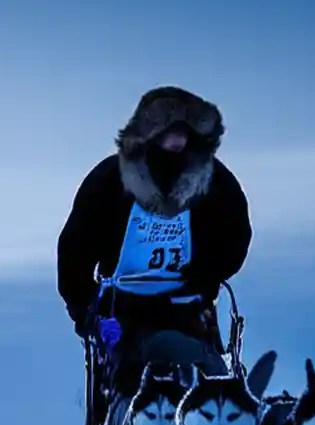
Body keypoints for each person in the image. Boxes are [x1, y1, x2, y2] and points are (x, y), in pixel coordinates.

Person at [57, 86, 252, 392]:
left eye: (185, 130)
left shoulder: (216, 184)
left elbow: (235, 236)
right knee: (125, 383)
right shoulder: (108, 181)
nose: (177, 138)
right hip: (121, 314)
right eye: (169, 127)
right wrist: (85, 312)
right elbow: (75, 249)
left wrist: (205, 273)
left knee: (215, 386)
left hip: (188, 309)